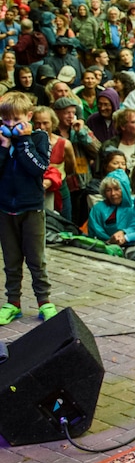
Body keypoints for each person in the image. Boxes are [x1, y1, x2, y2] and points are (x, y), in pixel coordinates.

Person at [0, 92, 54, 324]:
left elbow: (38, 168)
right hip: (5, 210)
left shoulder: (39, 138)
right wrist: (3, 148)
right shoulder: (1, 140)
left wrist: (22, 141)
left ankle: (44, 301)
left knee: (35, 259)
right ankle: (13, 302)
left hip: (31, 209)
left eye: (16, 119)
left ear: (28, 116)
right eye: (5, 120)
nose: (11, 125)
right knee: (11, 260)